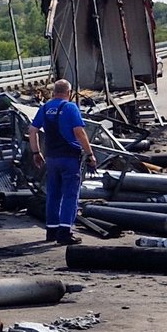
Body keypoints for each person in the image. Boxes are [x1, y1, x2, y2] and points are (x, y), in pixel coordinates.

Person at [28, 79, 97, 245]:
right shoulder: (70, 107)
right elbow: (79, 132)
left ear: (53, 92)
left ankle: (51, 231)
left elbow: (32, 130)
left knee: (53, 194)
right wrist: (90, 154)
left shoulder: (44, 108)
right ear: (69, 92)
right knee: (70, 195)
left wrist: (36, 152)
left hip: (51, 157)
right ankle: (65, 232)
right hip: (69, 158)